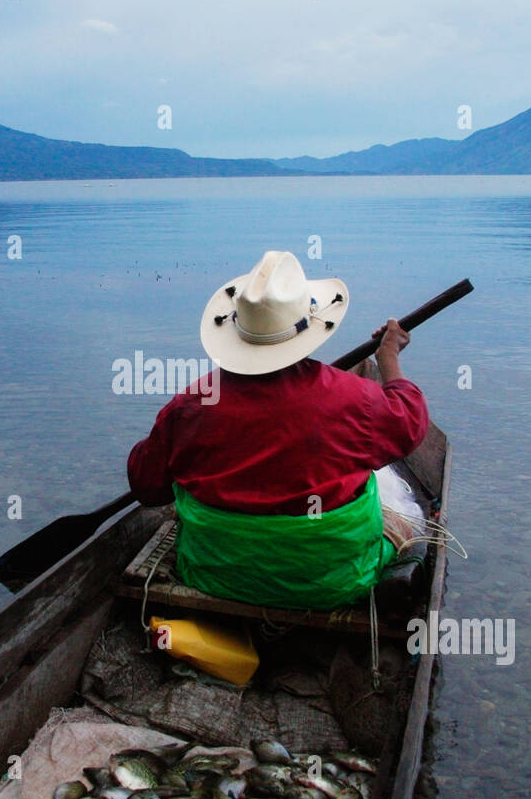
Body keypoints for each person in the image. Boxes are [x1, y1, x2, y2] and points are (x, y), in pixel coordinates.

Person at [126, 251, 429, 610]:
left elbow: (148, 488)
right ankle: (399, 577)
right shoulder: (354, 399)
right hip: (333, 582)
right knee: (411, 520)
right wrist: (389, 358)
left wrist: (165, 443)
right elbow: (411, 424)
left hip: (216, 576)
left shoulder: (190, 407)